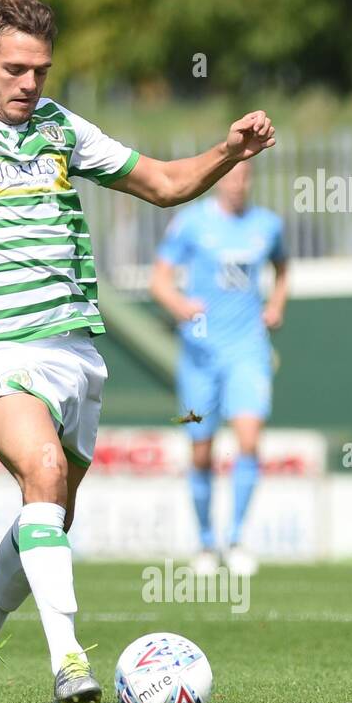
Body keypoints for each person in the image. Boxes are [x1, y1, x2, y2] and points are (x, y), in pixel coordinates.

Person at [0, 0, 276, 703]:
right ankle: (69, 663)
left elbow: (166, 184)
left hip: (74, 354)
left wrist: (229, 151)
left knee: (48, 512)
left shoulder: (58, 128)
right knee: (43, 470)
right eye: (15, 68)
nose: (29, 84)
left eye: (41, 70)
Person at [149, 161, 288, 578]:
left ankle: (238, 539)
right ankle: (206, 542)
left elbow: (283, 268)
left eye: (244, 178)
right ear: (218, 181)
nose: (237, 185)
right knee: (202, 449)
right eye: (230, 178)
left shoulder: (267, 225)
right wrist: (180, 306)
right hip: (200, 353)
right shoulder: (192, 223)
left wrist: (277, 304)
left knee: (248, 439)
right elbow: (159, 279)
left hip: (248, 349)